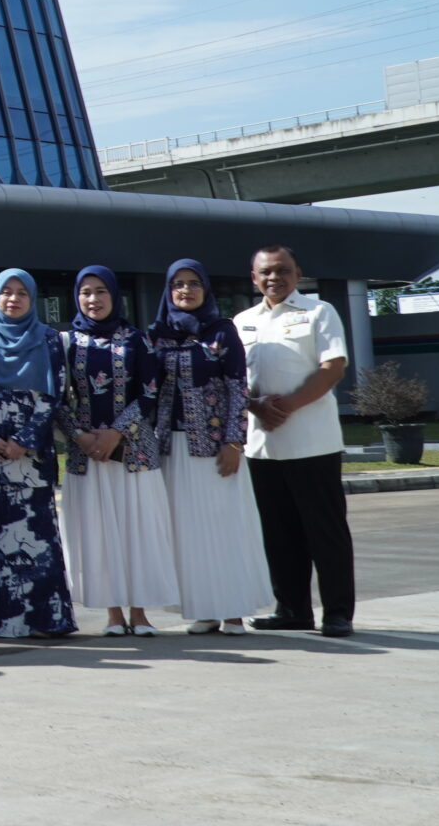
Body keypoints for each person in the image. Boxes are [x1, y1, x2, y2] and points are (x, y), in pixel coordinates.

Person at [236, 245, 357, 638]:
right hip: (263, 446)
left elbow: (332, 368)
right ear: (254, 278)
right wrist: (256, 406)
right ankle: (291, 609)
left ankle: (337, 613)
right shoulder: (242, 321)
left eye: (283, 270)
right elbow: (231, 378)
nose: (275, 278)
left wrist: (284, 407)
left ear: (297, 273)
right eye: (266, 272)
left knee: (326, 534)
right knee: (278, 534)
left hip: (312, 444)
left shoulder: (319, 312)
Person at [151, 260, 275, 634]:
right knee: (189, 533)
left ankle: (233, 609)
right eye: (177, 284)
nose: (185, 291)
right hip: (171, 448)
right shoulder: (158, 334)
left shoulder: (222, 333)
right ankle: (205, 609)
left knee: (224, 528)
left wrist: (235, 442)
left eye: (193, 284)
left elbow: (239, 389)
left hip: (215, 447)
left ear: (205, 289)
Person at [57, 265, 177, 637]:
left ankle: (139, 613)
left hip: (134, 454)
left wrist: (115, 433)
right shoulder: (65, 342)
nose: (93, 300)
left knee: (135, 531)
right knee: (101, 534)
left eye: (101, 292)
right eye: (86, 292)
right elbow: (58, 397)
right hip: (87, 455)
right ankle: (113, 615)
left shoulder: (137, 340)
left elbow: (151, 392)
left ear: (114, 295)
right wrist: (81, 437)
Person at [0, 270, 75, 639]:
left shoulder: (49, 340)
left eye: (21, 293)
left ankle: (44, 620)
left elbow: (55, 394)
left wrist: (24, 440)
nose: (13, 299)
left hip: (32, 461)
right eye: (5, 292)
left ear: (32, 299)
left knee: (37, 541)